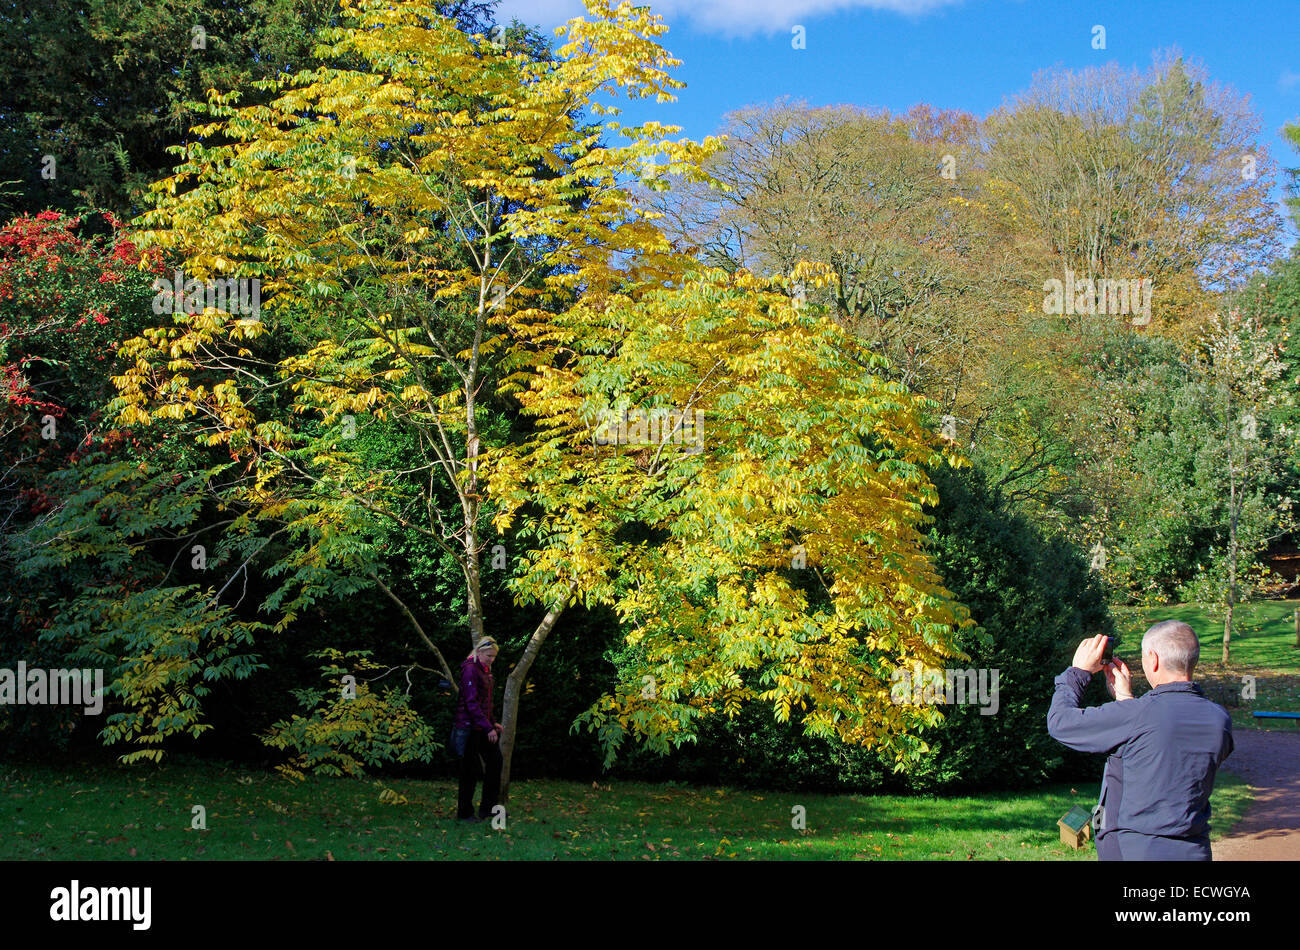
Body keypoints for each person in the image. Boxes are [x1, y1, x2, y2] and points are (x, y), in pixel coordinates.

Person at [1046, 621, 1233, 861]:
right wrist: (1125, 698)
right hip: (1193, 849)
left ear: (1153, 659)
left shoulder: (1138, 715)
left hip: (1134, 848)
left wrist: (1078, 673)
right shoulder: (1219, 719)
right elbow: (1157, 748)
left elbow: (1061, 722)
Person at [451, 636, 504, 822]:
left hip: (482, 726)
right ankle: (464, 813)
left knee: (495, 762)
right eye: (489, 655)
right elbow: (471, 703)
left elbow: (485, 702)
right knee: (469, 771)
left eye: (494, 656)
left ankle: (488, 808)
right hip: (468, 728)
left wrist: (492, 722)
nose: (492, 659)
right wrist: (488, 727)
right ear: (479, 652)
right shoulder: (470, 670)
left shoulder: (484, 670)